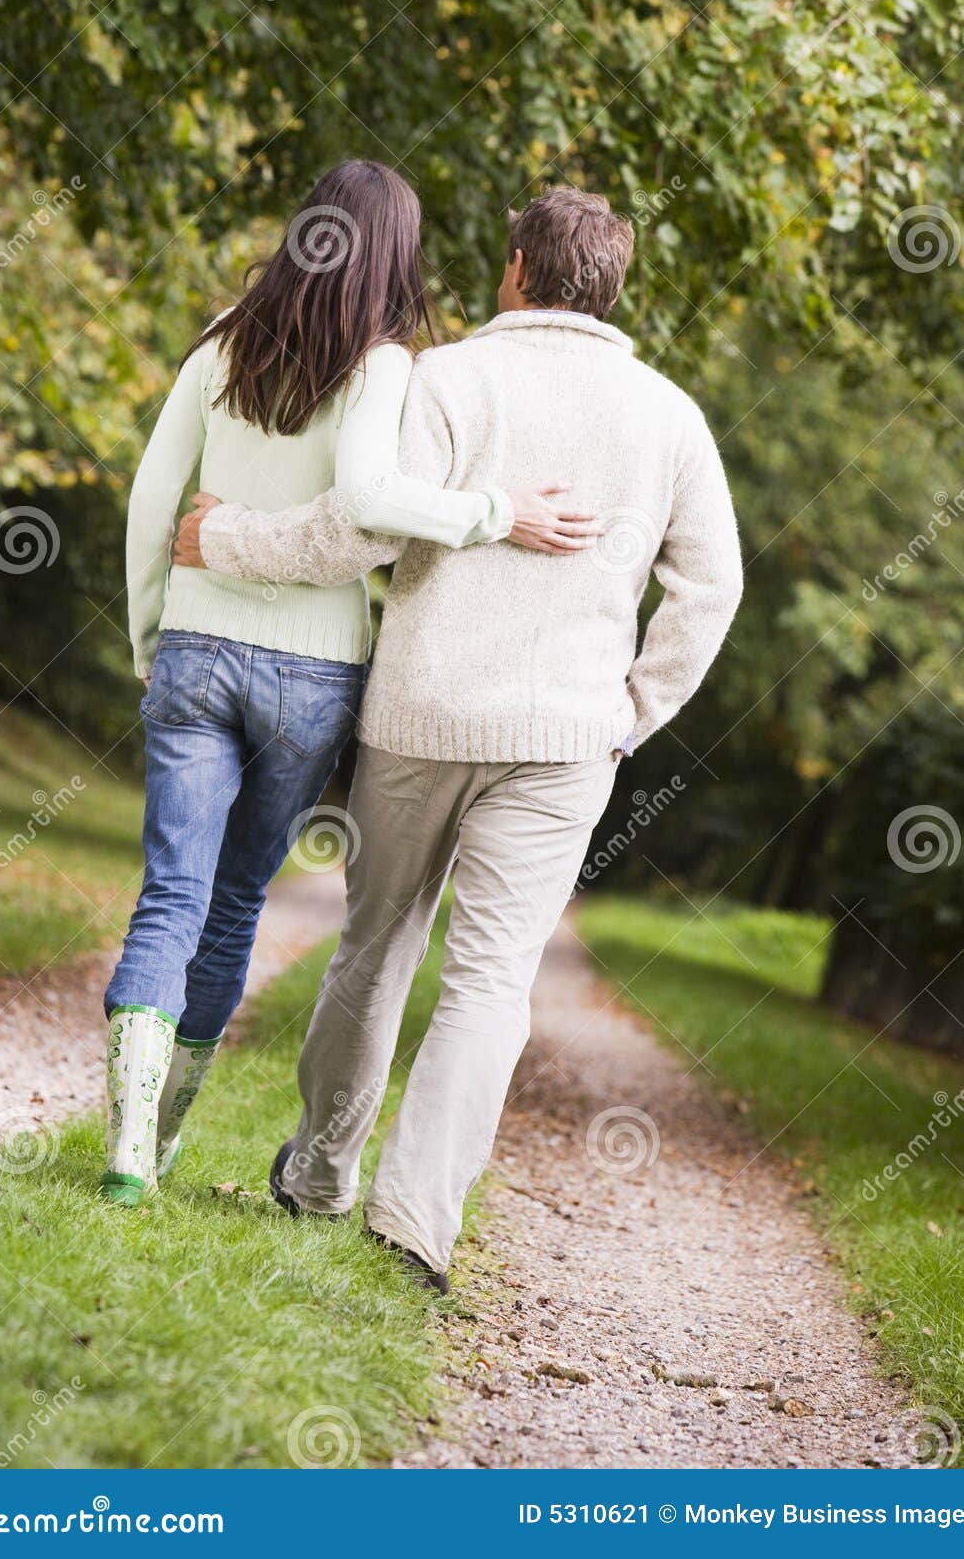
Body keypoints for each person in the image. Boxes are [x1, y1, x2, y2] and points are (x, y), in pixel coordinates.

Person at [174, 185, 743, 1291]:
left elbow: (359, 527)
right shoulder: (669, 415)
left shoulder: (443, 380)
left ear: (516, 269)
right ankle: (414, 1221)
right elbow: (709, 588)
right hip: (565, 738)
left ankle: (319, 1173)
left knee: (375, 944)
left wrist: (225, 538)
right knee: (491, 980)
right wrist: (633, 711)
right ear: (610, 287)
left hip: (418, 715)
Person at [101, 160, 597, 1207]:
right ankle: (170, 1130)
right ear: (397, 255)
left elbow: (153, 499)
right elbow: (371, 497)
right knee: (236, 899)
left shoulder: (223, 339)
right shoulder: (381, 366)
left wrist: (151, 636)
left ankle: (129, 1152)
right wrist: (494, 511)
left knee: (172, 892)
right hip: (313, 671)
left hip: (194, 647)